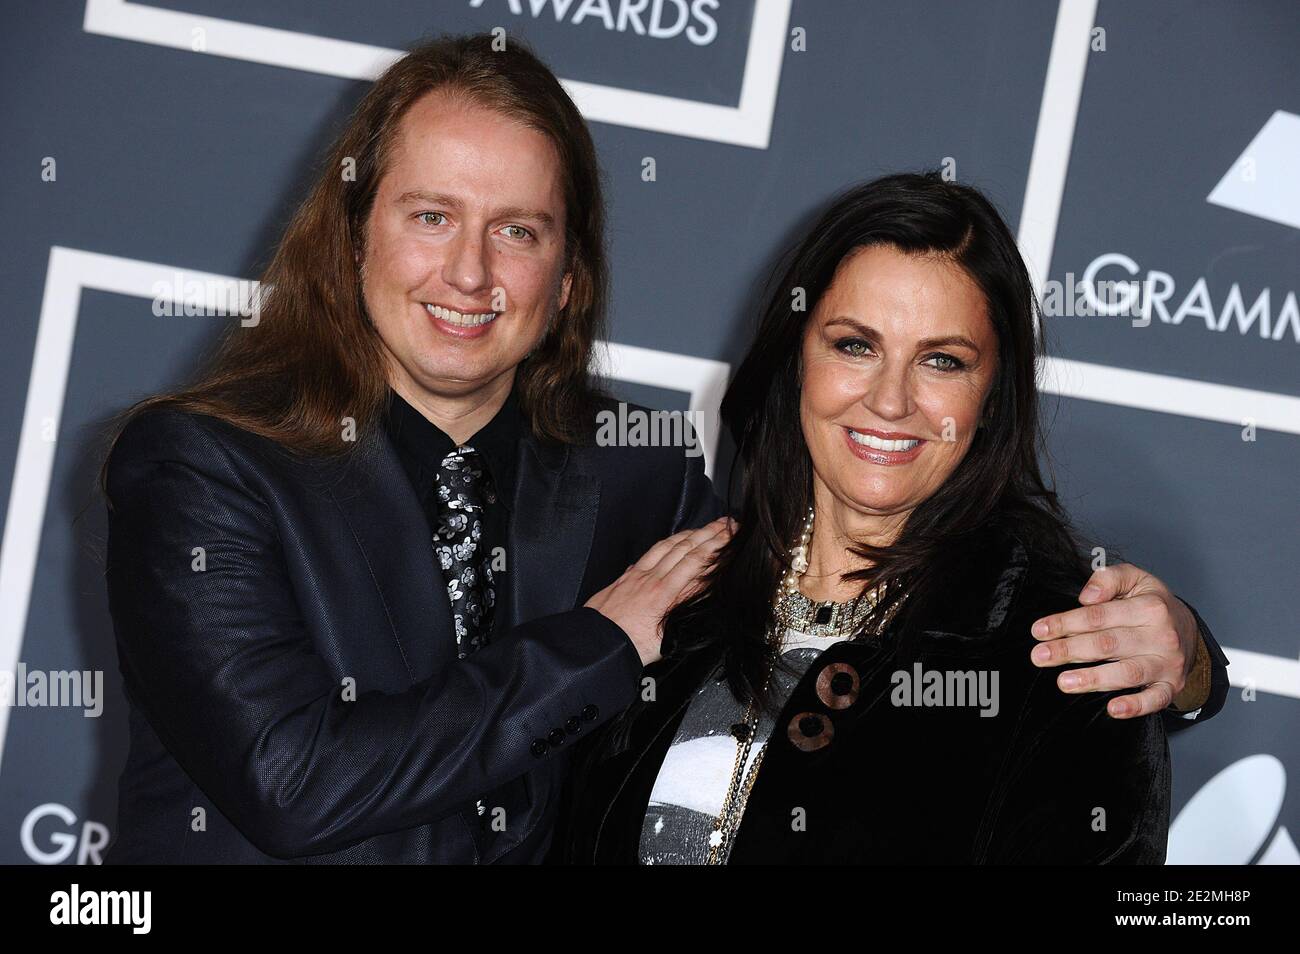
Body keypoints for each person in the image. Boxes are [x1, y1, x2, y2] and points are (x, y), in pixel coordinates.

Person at [101, 35, 1221, 865]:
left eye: (519, 231)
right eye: (432, 216)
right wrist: (593, 646)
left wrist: (1186, 657)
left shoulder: (642, 490)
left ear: (570, 276)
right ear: (353, 238)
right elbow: (295, 781)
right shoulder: (203, 467)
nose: (471, 273)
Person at [556, 173, 1228, 865]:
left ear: (991, 398)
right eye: (855, 345)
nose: (890, 400)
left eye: (942, 361)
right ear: (796, 360)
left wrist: (1197, 660)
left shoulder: (1063, 654)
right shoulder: (677, 590)